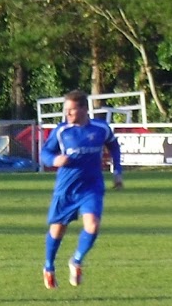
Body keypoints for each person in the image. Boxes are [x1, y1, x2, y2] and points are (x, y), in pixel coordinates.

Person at [40, 89, 123, 290]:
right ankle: (49, 267)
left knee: (93, 225)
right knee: (58, 229)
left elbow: (114, 146)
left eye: (71, 109)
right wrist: (54, 160)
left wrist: (117, 171)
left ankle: (76, 261)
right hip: (67, 188)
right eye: (65, 110)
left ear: (84, 109)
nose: (67, 113)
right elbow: (45, 152)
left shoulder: (101, 128)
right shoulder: (62, 131)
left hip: (91, 187)